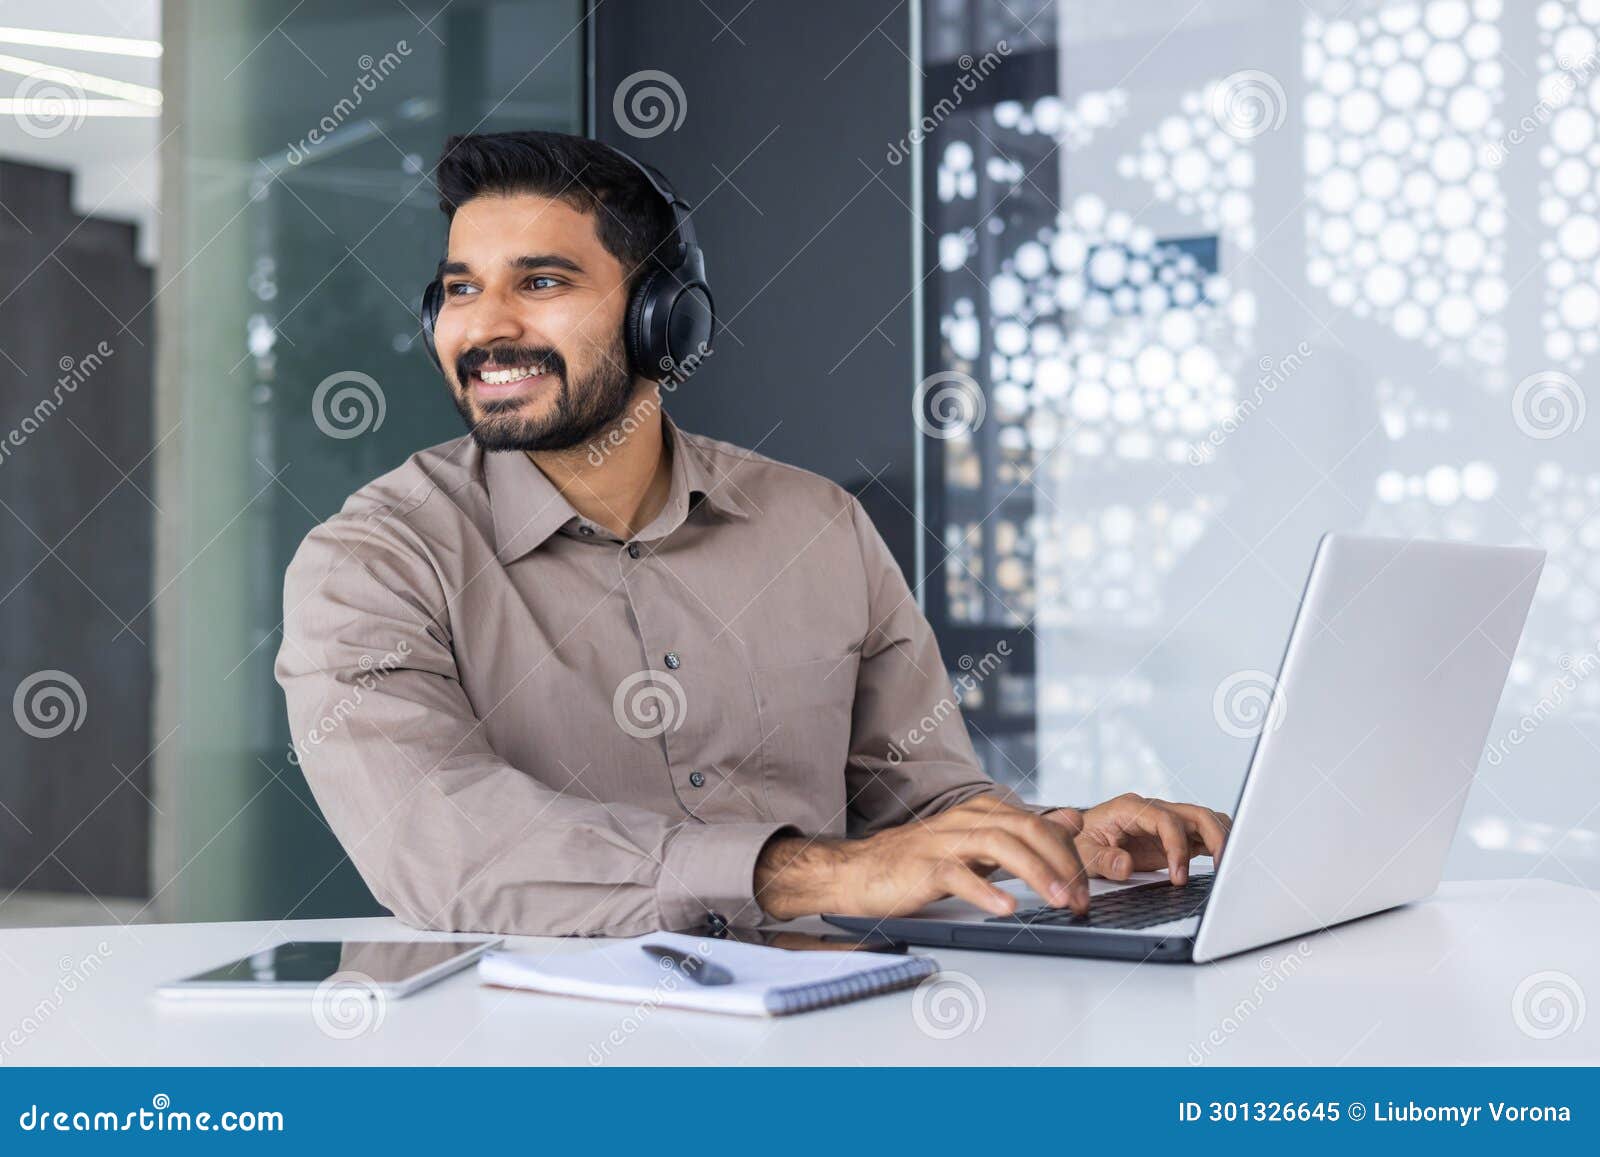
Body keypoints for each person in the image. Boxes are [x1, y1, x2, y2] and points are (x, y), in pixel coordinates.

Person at [274, 129, 1230, 938]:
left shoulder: (818, 527)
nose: (485, 327)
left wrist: (1056, 839)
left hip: (824, 1033)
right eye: (460, 289)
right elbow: (438, 844)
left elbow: (920, 807)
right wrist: (807, 874)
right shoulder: (373, 562)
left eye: (542, 281)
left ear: (663, 319)